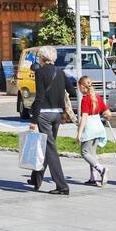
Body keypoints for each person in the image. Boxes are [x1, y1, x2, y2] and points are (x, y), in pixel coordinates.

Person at [27, 46, 74, 195]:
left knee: (50, 149)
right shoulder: (60, 72)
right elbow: (72, 91)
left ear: (42, 58)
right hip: (58, 115)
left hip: (44, 115)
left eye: (39, 57)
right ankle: (36, 178)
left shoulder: (40, 72)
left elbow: (39, 97)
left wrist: (34, 120)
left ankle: (62, 186)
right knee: (47, 146)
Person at [76, 74, 109, 186]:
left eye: (78, 87)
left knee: (84, 152)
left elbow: (84, 117)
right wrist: (105, 115)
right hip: (98, 127)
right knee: (92, 154)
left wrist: (79, 133)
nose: (78, 89)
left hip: (89, 128)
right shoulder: (98, 98)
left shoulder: (85, 99)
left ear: (82, 86)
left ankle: (101, 169)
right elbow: (108, 113)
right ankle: (93, 178)